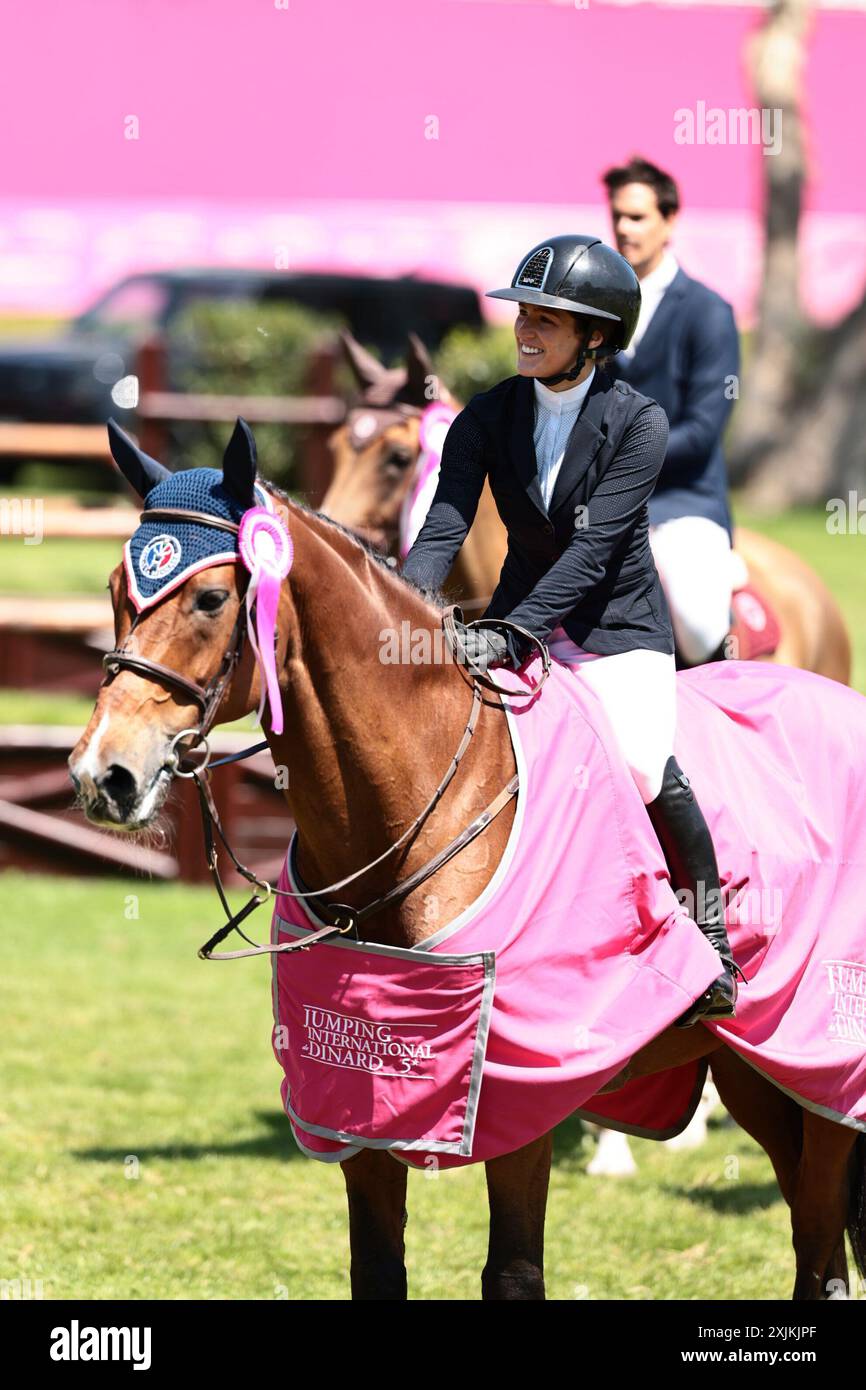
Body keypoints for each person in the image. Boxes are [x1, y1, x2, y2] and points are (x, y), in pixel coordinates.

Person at [402, 234, 738, 1025]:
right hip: (520, 617)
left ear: (594, 336)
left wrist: (514, 633)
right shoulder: (486, 416)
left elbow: (593, 553)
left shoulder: (640, 423)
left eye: (547, 319)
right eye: (523, 312)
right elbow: (444, 528)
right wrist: (402, 605)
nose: (525, 328)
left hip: (617, 629)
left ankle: (711, 943)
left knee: (643, 766)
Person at [602, 156, 740, 667]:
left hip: (683, 507)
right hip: (597, 504)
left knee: (701, 625)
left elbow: (704, 431)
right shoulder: (597, 314)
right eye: (617, 215)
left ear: (669, 220)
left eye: (636, 217)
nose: (622, 227)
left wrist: (617, 460)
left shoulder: (709, 312)